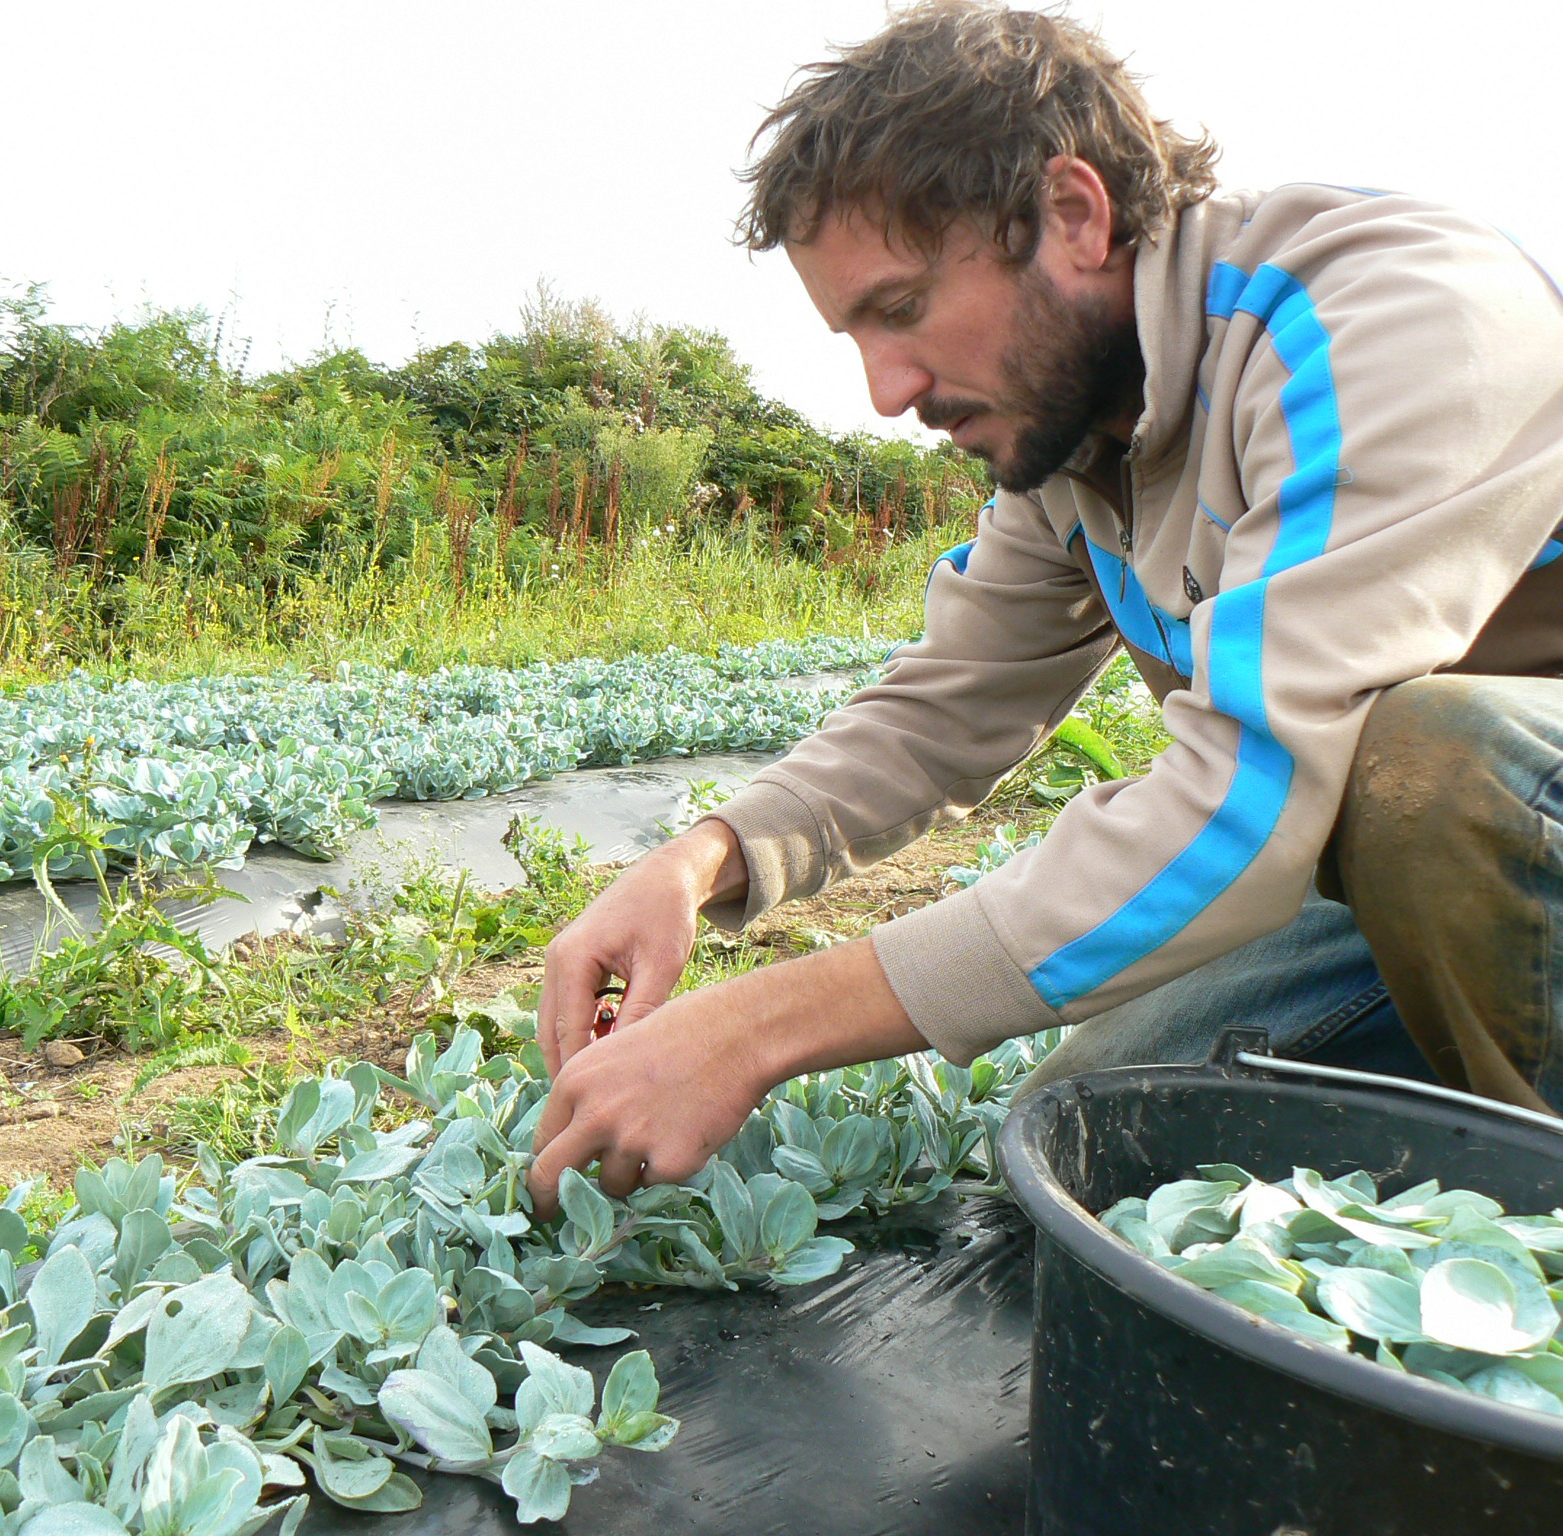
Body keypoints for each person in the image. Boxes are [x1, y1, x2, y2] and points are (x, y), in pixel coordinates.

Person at [527, 0, 1563, 1218]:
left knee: (1432, 760)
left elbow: (1244, 796)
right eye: (853, 333)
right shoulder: (1076, 441)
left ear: (1073, 214)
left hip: (1499, 825)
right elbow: (944, 708)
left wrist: (752, 1029)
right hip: (1420, 888)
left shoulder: (1383, 322)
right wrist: (699, 860)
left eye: (900, 308)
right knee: (1098, 1127)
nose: (884, 390)